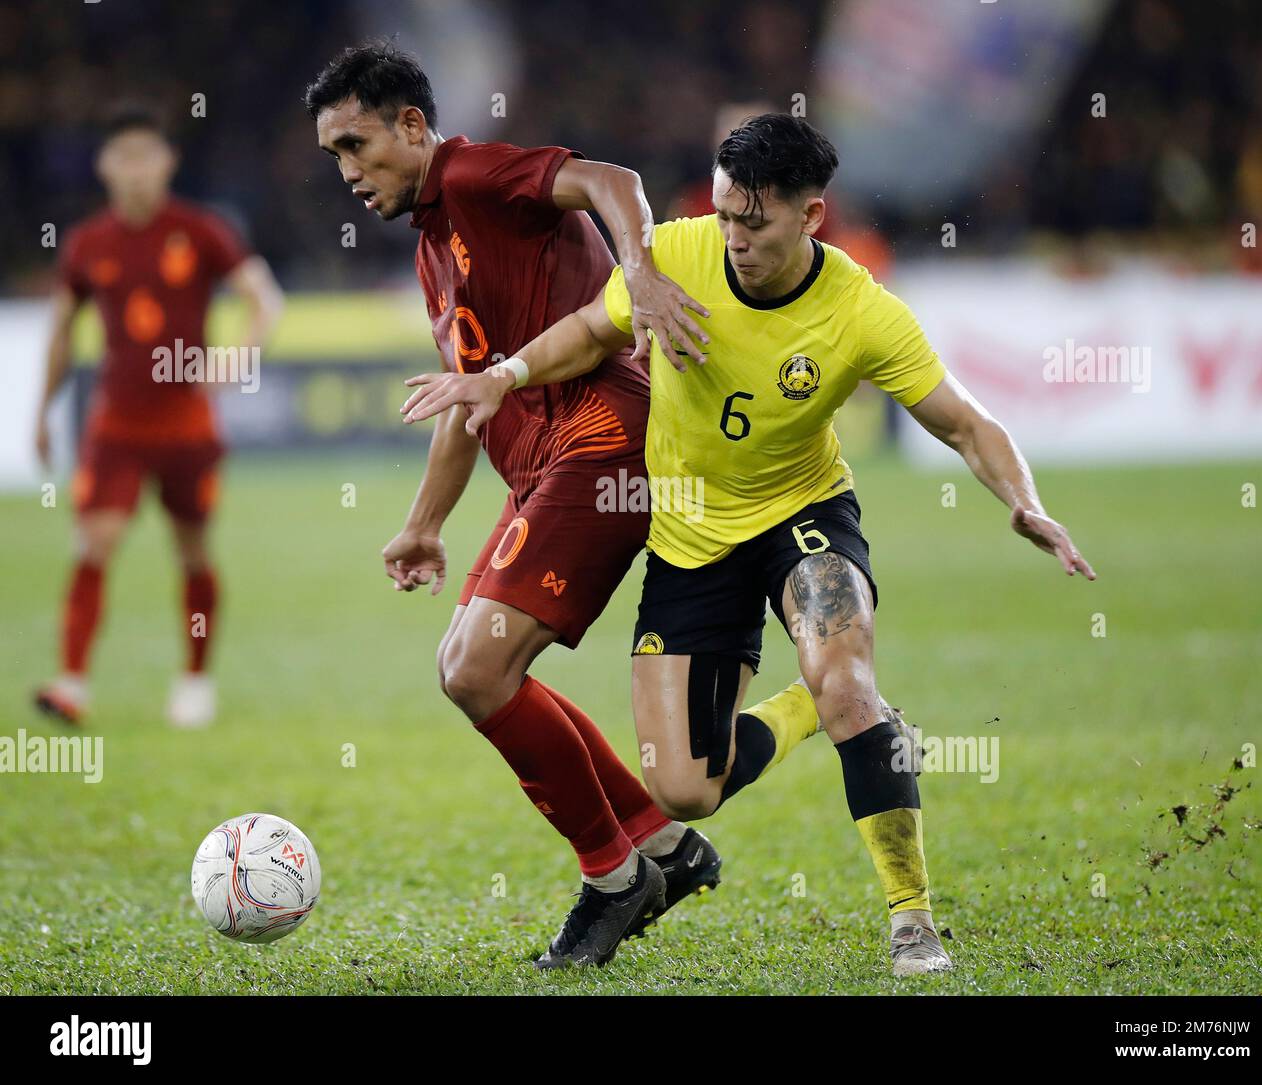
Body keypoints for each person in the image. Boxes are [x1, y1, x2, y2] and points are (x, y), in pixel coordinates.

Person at [401, 113, 1097, 977]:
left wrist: (1024, 502)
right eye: (726, 213)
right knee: (684, 788)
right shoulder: (683, 254)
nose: (733, 237)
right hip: (690, 536)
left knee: (845, 681)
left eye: (754, 221)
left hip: (801, 515)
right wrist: (501, 375)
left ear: (811, 216)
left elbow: (965, 421)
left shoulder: (859, 310)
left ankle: (912, 918)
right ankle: (811, 709)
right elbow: (588, 332)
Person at [308, 42, 818, 969]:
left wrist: (645, 273)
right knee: (473, 668)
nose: (347, 171)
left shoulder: (469, 173)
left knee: (473, 669)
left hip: (603, 436)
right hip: (552, 462)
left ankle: (617, 878)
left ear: (413, 128)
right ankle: (660, 840)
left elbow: (610, 179)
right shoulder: (435, 244)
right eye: (333, 155)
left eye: (355, 145)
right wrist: (423, 523)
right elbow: (471, 401)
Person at [34, 106, 283, 729]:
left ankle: (195, 681)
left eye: (148, 156)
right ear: (105, 166)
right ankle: (71, 683)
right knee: (96, 542)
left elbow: (265, 298)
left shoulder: (200, 231)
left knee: (192, 552)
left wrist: (236, 361)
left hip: (186, 426)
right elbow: (63, 330)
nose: (137, 170)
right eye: (124, 157)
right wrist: (41, 410)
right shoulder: (88, 243)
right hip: (115, 424)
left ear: (168, 162)